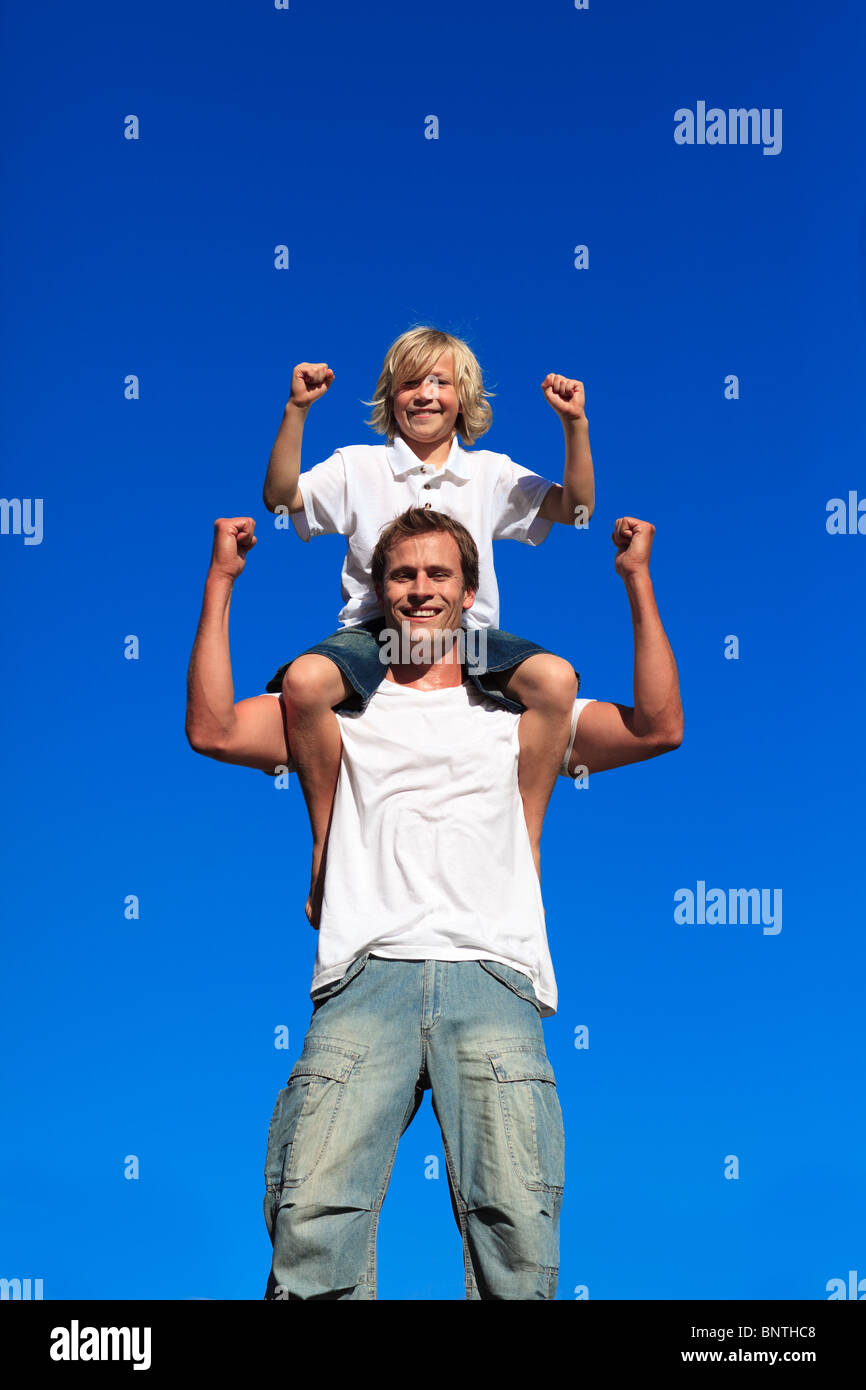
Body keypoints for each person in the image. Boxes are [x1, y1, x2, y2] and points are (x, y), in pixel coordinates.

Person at [185, 505, 683, 1300]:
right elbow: (211, 731)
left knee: (516, 1231)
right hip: (364, 977)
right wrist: (221, 580)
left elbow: (659, 728)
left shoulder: (520, 719)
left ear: (470, 591)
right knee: (311, 1219)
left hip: (492, 978)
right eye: (402, 575)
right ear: (379, 593)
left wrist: (637, 581)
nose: (419, 590)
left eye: (438, 573)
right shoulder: (343, 713)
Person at [260, 326, 596, 924]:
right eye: (411, 382)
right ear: (391, 397)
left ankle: (526, 842)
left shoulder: (490, 473)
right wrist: (297, 409)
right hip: (374, 630)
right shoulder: (357, 465)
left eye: (440, 382)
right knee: (306, 683)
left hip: (467, 637)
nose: (425, 394)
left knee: (555, 680)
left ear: (463, 399)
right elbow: (281, 499)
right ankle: (323, 845)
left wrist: (574, 424)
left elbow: (576, 509)